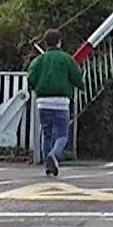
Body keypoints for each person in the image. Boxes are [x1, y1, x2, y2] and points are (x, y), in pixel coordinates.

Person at [27, 28, 84, 177]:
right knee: (62, 135)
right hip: (61, 102)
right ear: (59, 42)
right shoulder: (66, 59)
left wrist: (34, 88)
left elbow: (31, 78)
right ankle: (54, 154)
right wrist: (80, 86)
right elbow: (77, 77)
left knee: (46, 134)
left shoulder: (38, 61)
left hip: (42, 102)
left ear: (45, 43)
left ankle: (48, 165)